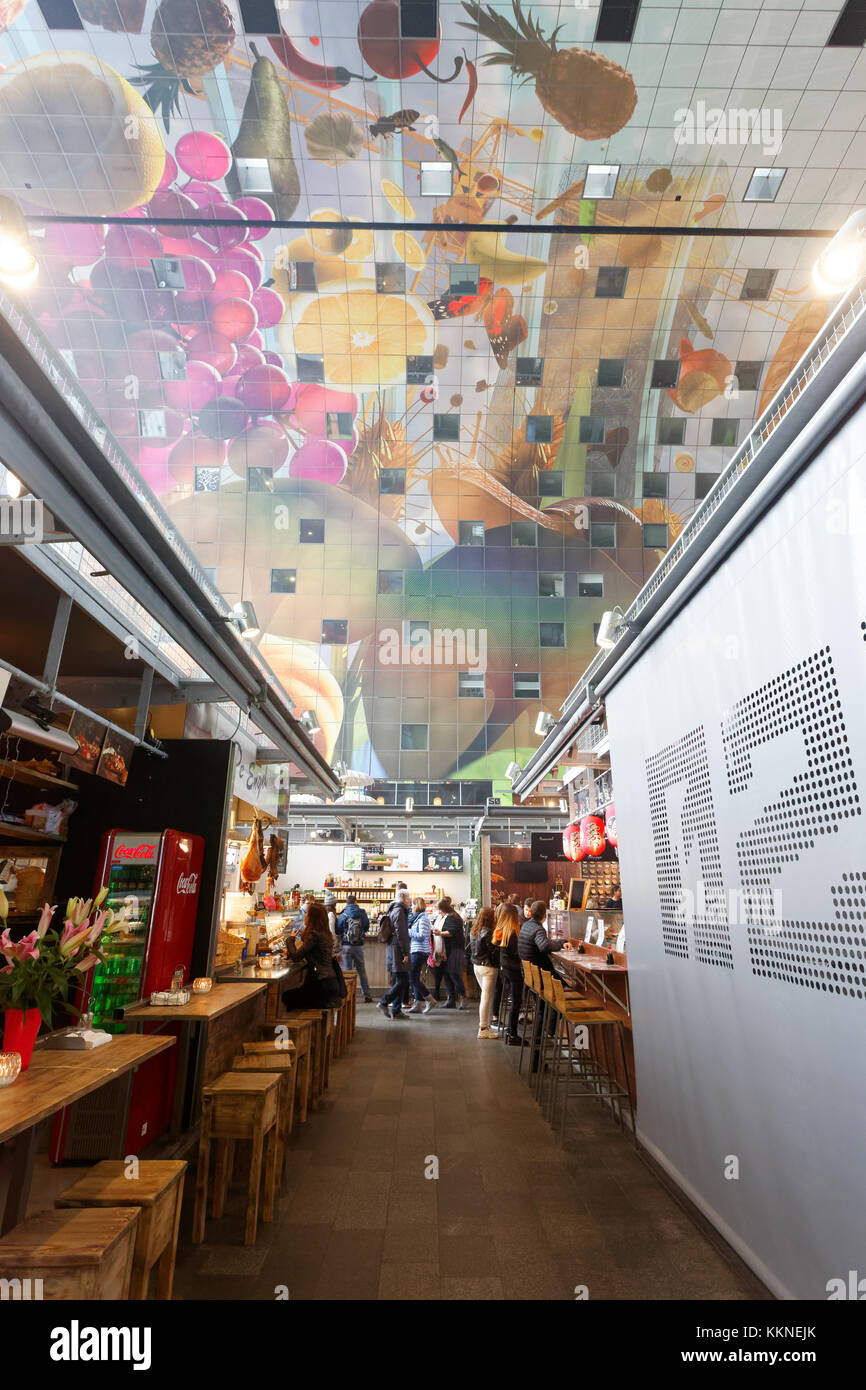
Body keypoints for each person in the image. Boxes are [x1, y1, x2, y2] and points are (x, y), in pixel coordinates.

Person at [518, 900, 567, 1071]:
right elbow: (544, 945)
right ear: (544, 916)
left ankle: (547, 1034)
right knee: (561, 996)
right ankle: (548, 1032)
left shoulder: (525, 926)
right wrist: (562, 943)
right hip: (541, 979)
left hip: (532, 979)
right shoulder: (538, 928)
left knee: (549, 1007)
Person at [281, 900, 344, 1010]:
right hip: (331, 983)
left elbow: (296, 957)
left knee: (286, 997)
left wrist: (290, 938)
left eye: (306, 913)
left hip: (321, 986)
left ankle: (295, 1025)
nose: (305, 915)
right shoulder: (325, 934)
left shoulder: (314, 935)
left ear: (312, 917)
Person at [378, 888, 412, 1020]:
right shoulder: (400, 911)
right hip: (398, 949)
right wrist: (405, 953)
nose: (410, 902)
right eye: (409, 899)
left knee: (400, 980)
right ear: (405, 899)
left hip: (393, 948)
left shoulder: (393, 909)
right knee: (402, 980)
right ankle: (384, 1002)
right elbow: (402, 934)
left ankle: (396, 1011)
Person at [336, 892, 372, 1002]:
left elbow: (338, 930)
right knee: (362, 971)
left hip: (346, 946)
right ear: (356, 902)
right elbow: (366, 927)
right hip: (358, 946)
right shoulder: (362, 913)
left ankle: (349, 996)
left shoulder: (343, 914)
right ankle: (367, 995)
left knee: (347, 971)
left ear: (346, 903)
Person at [470, 906, 499, 1039]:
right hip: (488, 968)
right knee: (486, 997)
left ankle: (486, 1026)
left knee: (486, 997)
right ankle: (483, 1028)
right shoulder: (488, 933)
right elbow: (493, 952)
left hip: (477, 966)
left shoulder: (474, 931)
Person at [497, 903, 523, 1045]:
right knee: (516, 1002)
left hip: (506, 969)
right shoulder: (513, 933)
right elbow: (518, 954)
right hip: (514, 971)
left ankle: (510, 1031)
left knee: (515, 1002)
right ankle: (512, 1033)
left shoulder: (501, 931)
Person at [435, 896, 467, 1010]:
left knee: (454, 973)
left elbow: (451, 932)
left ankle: (463, 997)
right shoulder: (447, 916)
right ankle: (451, 999)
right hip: (447, 949)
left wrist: (439, 933)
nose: (438, 912)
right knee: (446, 973)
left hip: (455, 948)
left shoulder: (453, 917)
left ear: (443, 909)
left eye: (439, 910)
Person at [406, 896, 436, 1013]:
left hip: (420, 951)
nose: (411, 907)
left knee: (412, 978)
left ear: (417, 905)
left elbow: (422, 936)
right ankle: (418, 1003)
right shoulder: (418, 918)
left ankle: (429, 999)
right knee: (415, 977)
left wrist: (408, 931)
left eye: (413, 905)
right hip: (417, 950)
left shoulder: (422, 919)